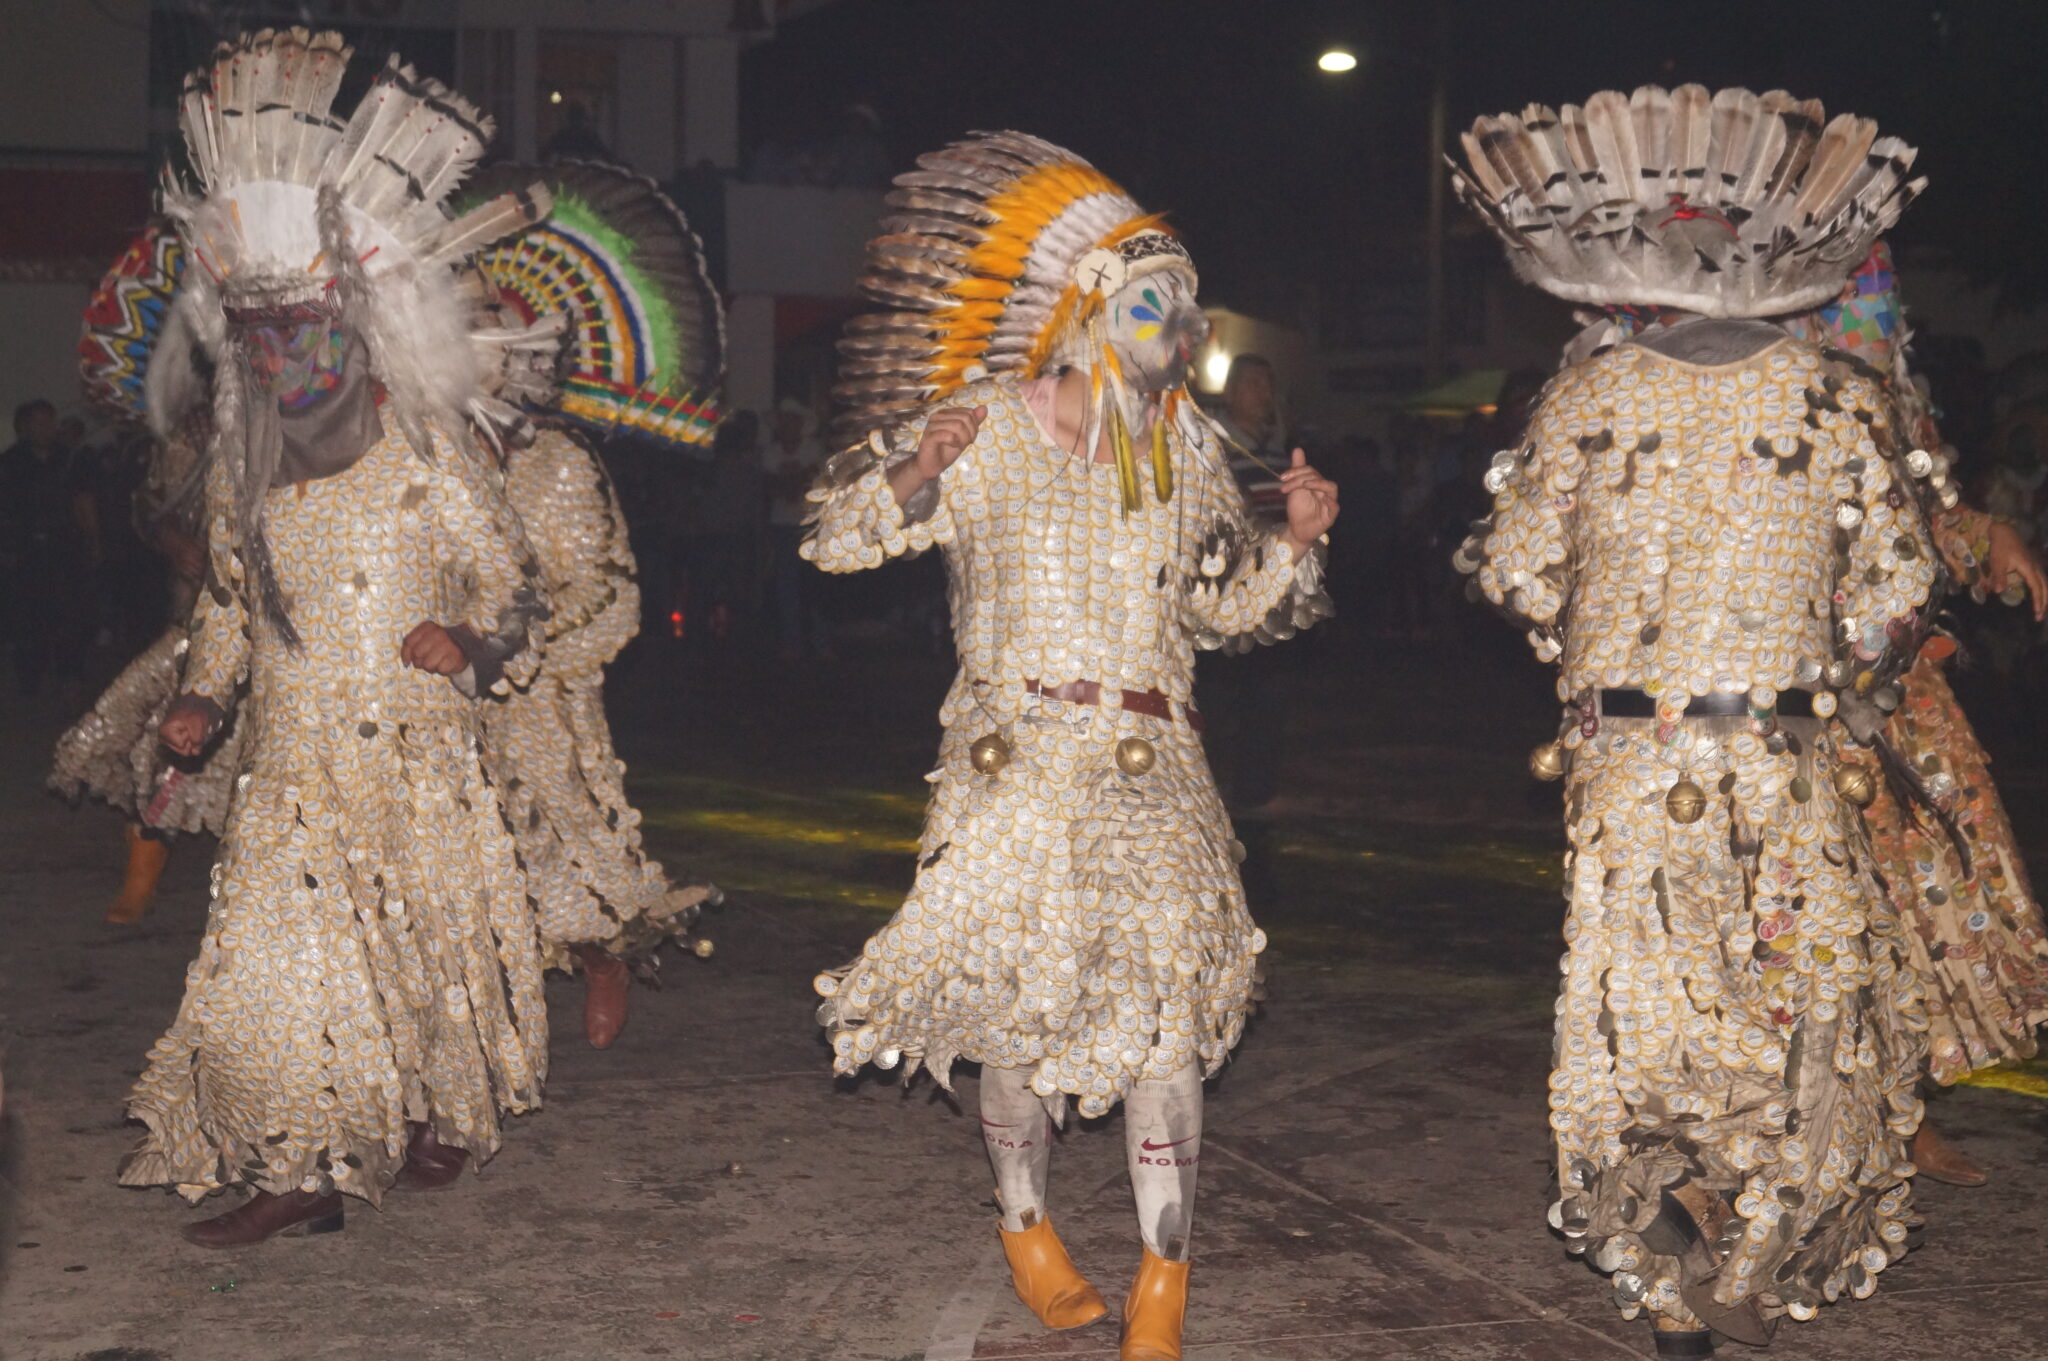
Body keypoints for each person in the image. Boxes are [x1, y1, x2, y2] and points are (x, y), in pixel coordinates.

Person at [804, 132, 1336, 1361]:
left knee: (1161, 1019)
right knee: (1018, 1025)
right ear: (1095, 306)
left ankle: (1163, 1277)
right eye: (1158, 302)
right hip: (1012, 767)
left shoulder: (1183, 452)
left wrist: (1295, 545)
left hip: (1156, 771)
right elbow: (835, 541)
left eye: (1187, 308)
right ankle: (1026, 1225)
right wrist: (916, 471)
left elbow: (1219, 612)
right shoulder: (986, 423)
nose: (1179, 325)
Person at [1452, 85, 1939, 1356]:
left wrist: (1593, 647)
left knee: (1635, 1013)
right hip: (1779, 758)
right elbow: (1892, 587)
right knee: (1804, 1005)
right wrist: (1815, 647)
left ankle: (1667, 1250)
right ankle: (1761, 1234)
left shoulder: (1583, 397)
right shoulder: (1836, 398)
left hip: (1624, 763)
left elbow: (1509, 573)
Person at [119, 28, 553, 1247]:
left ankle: (436, 1106)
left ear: (351, 332)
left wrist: (464, 640)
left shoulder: (424, 451)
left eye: (301, 333)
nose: (281, 358)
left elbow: (514, 578)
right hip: (291, 762)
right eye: (259, 340)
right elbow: (226, 613)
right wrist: (203, 700)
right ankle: (301, 1159)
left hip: (413, 758)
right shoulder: (239, 476)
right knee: (274, 950)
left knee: (420, 951)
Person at [1781, 244, 2048, 1186]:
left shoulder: (1892, 410)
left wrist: (1991, 538)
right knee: (1815, 913)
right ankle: (1804, 1119)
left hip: (1902, 695)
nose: (1872, 323)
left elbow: (1926, 520)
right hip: (1788, 704)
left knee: (1930, 897)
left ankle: (1902, 1112)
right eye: (1852, 306)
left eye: (1881, 308)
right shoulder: (1769, 401)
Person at [457, 156, 727, 1049]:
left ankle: (598, 957)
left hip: (538, 706)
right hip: (433, 711)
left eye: (497, 336)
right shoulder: (421, 457)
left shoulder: (559, 464)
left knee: (559, 864)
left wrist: (508, 650)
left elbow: (613, 596)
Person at [1202, 355, 1296, 811]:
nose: (1263, 394)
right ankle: (1215, 790)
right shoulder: (1213, 448)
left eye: (1267, 384)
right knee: (1224, 693)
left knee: (1266, 692)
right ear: (1231, 393)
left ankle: (1254, 791)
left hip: (1269, 588)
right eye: (1252, 384)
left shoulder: (1274, 453)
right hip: (1224, 589)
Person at [0, 398, 95, 694]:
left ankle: (71, 674)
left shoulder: (70, 460)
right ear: (26, 427)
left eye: (49, 422)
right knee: (29, 618)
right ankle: (32, 676)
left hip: (66, 550)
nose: (45, 429)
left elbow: (84, 503)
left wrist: (93, 541)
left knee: (71, 615)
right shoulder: (10, 464)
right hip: (27, 554)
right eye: (38, 423)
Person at [763, 397, 829, 659]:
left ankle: (821, 642)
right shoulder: (770, 453)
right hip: (782, 527)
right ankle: (792, 642)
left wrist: (789, 480)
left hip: (811, 527)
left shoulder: (815, 450)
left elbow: (814, 480)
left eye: (793, 420)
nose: (789, 425)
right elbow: (773, 487)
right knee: (786, 587)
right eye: (785, 420)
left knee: (816, 586)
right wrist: (797, 479)